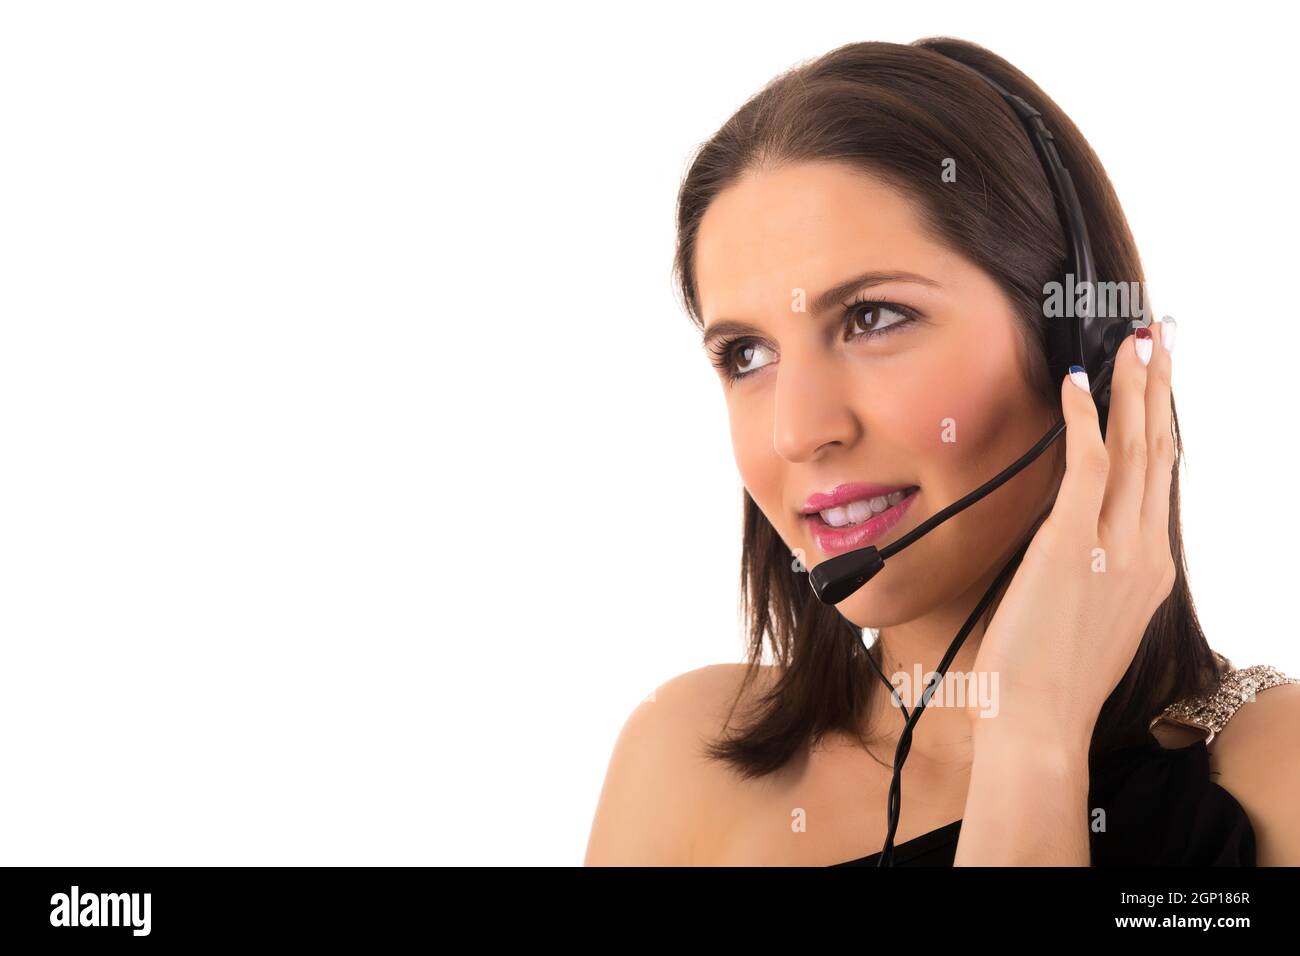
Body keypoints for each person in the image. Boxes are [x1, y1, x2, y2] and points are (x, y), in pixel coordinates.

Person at [584, 37, 1300, 866]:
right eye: (747, 355)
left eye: (873, 318)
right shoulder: (683, 758)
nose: (796, 430)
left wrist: (1032, 735)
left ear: (1087, 349)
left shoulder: (1269, 779)